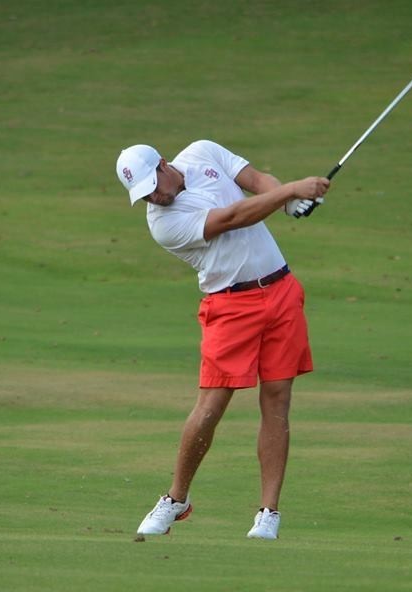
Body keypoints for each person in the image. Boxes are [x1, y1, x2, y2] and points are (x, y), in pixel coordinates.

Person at [115, 140, 330, 540]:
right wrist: (291, 191)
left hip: (282, 291)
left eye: (152, 186)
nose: (152, 197)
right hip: (230, 305)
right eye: (143, 194)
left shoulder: (202, 152)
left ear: (163, 164)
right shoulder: (162, 224)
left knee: (278, 399)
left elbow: (257, 181)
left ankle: (268, 512)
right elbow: (233, 217)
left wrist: (285, 200)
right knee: (211, 404)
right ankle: (176, 498)